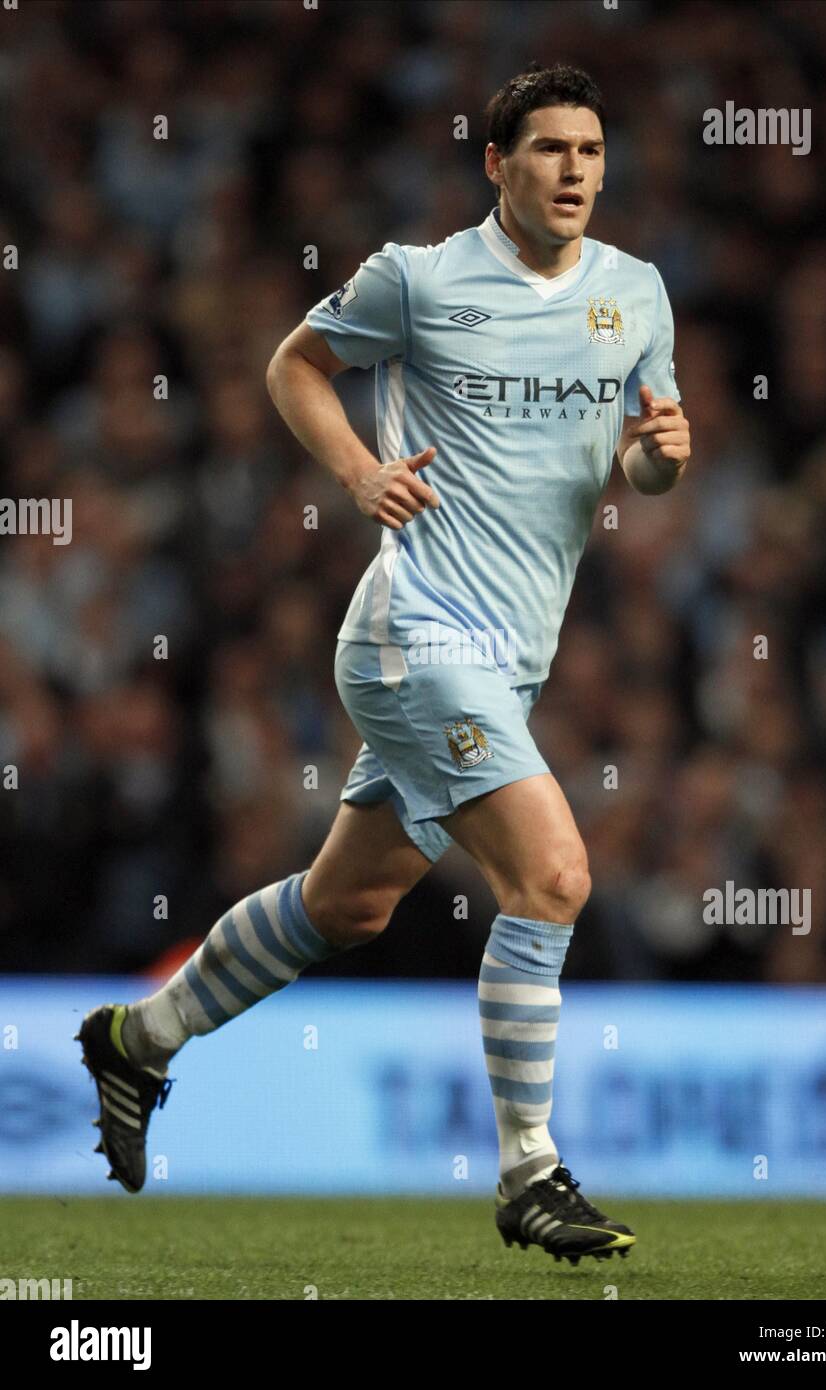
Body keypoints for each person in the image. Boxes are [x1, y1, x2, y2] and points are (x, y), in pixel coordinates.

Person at [77, 62, 690, 1266]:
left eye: (593, 151)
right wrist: (361, 472)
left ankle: (136, 1040)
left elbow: (642, 471)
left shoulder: (637, 295)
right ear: (496, 164)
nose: (576, 171)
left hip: (512, 658)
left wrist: (660, 454)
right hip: (414, 632)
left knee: (346, 906)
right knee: (555, 876)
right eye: (552, 149)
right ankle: (530, 1168)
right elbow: (292, 366)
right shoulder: (418, 279)